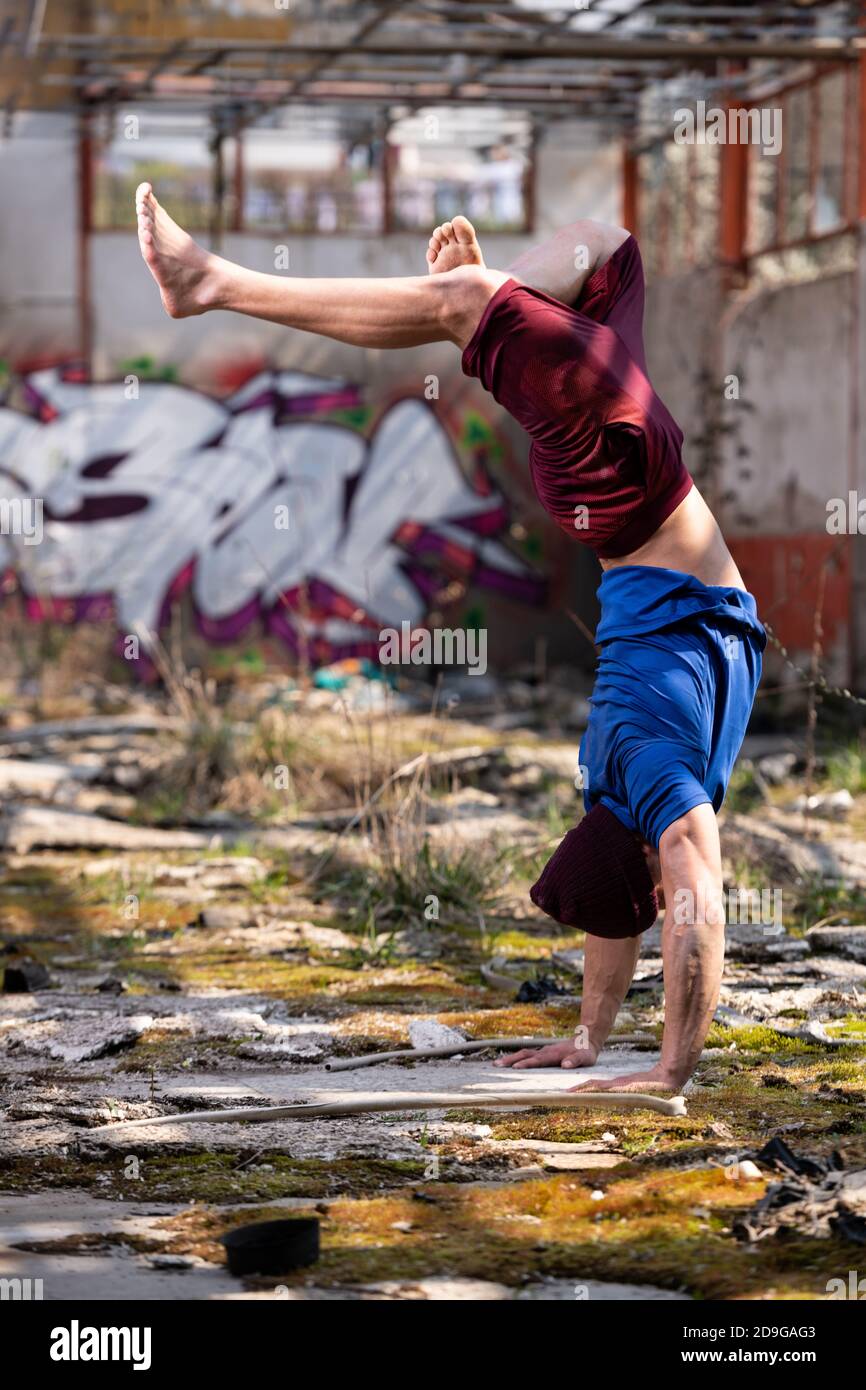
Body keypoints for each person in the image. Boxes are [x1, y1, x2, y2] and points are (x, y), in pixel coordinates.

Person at [135, 186, 764, 1094]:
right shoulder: (647, 776)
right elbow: (689, 869)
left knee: (581, 257)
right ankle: (295, 289)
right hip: (626, 484)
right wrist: (668, 1067)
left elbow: (631, 900)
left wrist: (599, 1039)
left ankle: (225, 284)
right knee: (586, 256)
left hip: (624, 490)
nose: (657, 907)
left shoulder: (628, 776)